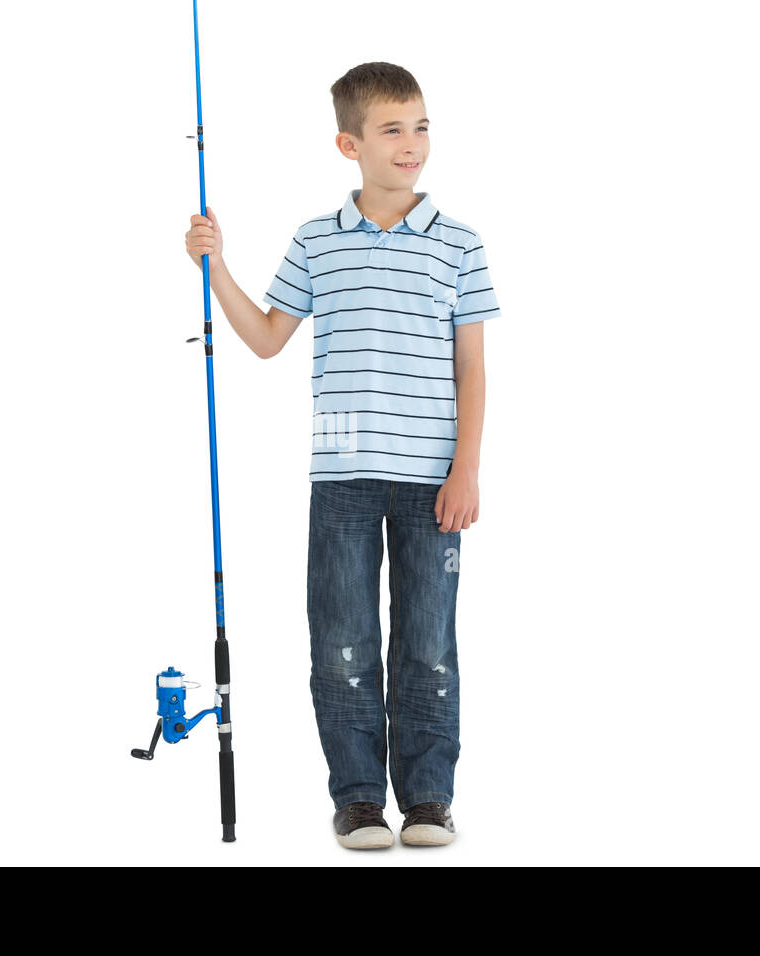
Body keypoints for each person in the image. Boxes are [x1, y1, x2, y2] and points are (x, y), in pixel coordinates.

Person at [183, 62, 500, 850]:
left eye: (421, 126)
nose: (412, 143)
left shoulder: (461, 244)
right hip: (342, 476)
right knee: (344, 643)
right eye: (392, 129)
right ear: (348, 143)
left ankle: (428, 798)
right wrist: (214, 266)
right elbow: (262, 340)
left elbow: (473, 366)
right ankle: (358, 799)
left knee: (428, 644)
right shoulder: (316, 241)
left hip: (433, 480)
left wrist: (468, 467)